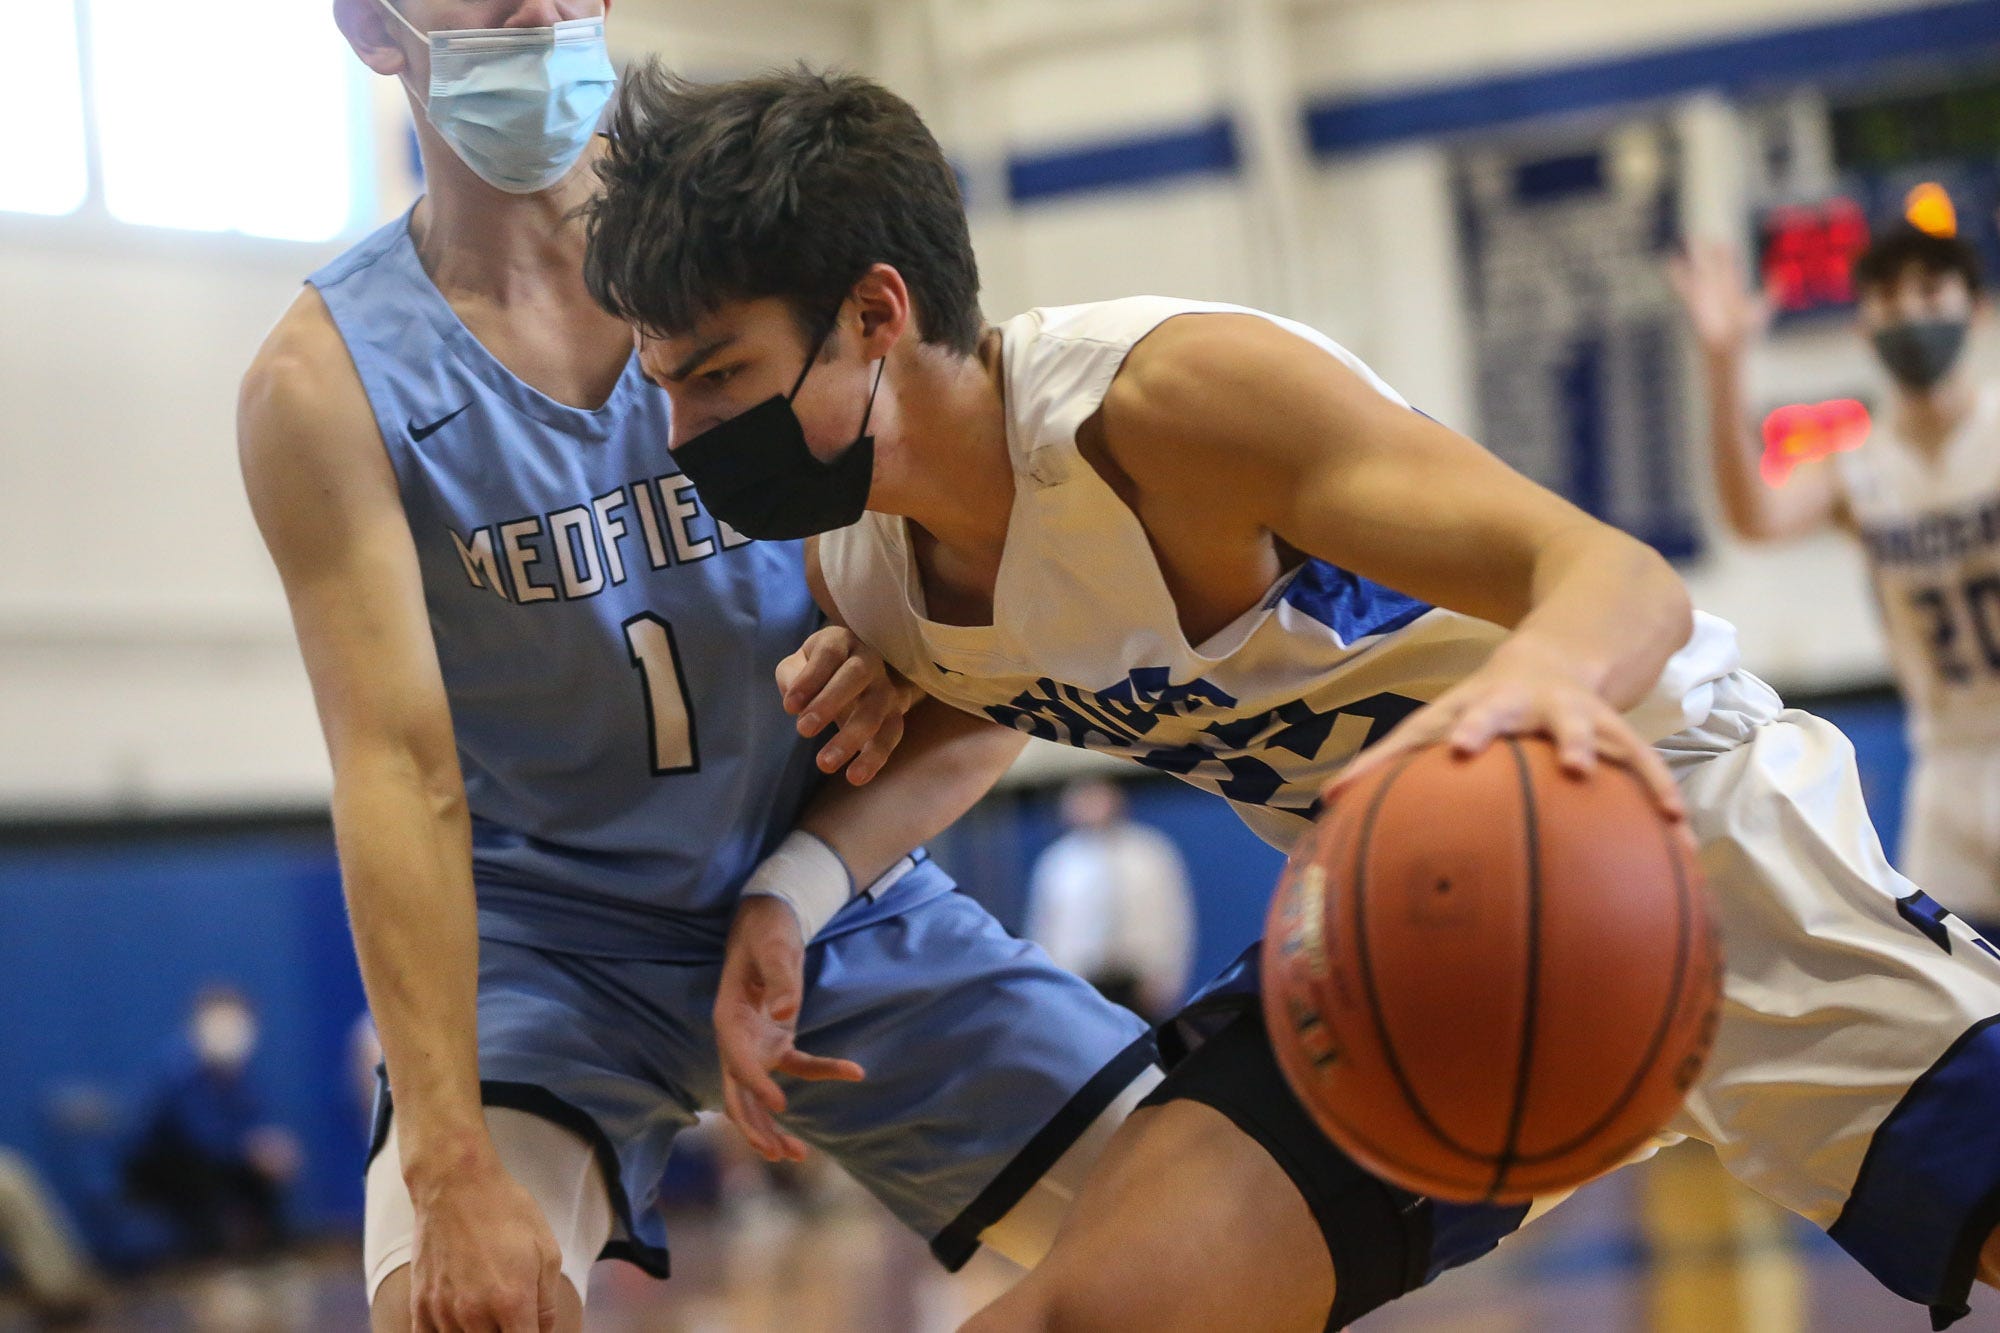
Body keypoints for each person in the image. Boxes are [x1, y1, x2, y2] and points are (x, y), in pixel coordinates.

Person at [580, 65, 2000, 1333]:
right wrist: (792, 893)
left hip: (1679, 830)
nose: (686, 435)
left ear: (875, 312)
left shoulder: (1164, 404)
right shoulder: (864, 575)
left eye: (719, 378)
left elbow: (1619, 582)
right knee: (1084, 1312)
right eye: (665, 390)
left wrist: (1491, 739)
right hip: (1414, 935)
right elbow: (996, 693)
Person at [240, 7, 1156, 1331]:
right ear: (373, 26)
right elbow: (394, 770)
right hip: (546, 951)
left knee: (1210, 1233)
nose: (536, 10)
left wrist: (900, 653)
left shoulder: (768, 237)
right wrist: (444, 1158)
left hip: (829, 889)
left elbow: (995, 611)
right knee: (453, 1313)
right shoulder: (325, 380)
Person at [1673, 226, 2000, 926]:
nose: (1911, 314)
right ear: (1863, 324)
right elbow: (1754, 518)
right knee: (1958, 984)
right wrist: (1724, 366)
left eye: (1930, 291)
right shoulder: (1860, 466)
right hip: (1946, 761)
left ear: (1977, 310)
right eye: (1889, 299)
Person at [122, 987, 299, 1261]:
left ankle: (271, 1257)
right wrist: (250, 1151)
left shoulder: (237, 1071)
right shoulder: (178, 1069)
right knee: (208, 1175)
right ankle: (212, 1259)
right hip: (165, 1166)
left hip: (217, 1160)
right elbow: (197, 1135)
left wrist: (270, 1148)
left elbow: (253, 1122)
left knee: (266, 1176)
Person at [1025, 779, 1194, 1021]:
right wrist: (1055, 985)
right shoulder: (1057, 861)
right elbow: (1044, 927)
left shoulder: (1151, 851)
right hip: (1082, 978)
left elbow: (1174, 916)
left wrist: (1169, 977)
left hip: (1139, 978)